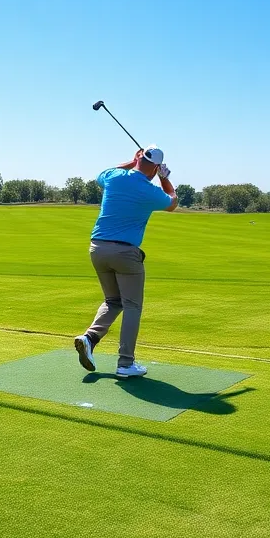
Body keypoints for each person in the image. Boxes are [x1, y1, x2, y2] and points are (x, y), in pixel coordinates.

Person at [73, 145, 178, 378]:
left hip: (97, 248)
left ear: (139, 159)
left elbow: (103, 174)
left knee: (113, 300)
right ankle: (125, 364)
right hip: (125, 254)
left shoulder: (114, 177)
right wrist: (165, 179)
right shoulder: (150, 191)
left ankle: (89, 338)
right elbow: (172, 202)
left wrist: (132, 162)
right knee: (132, 305)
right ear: (155, 168)